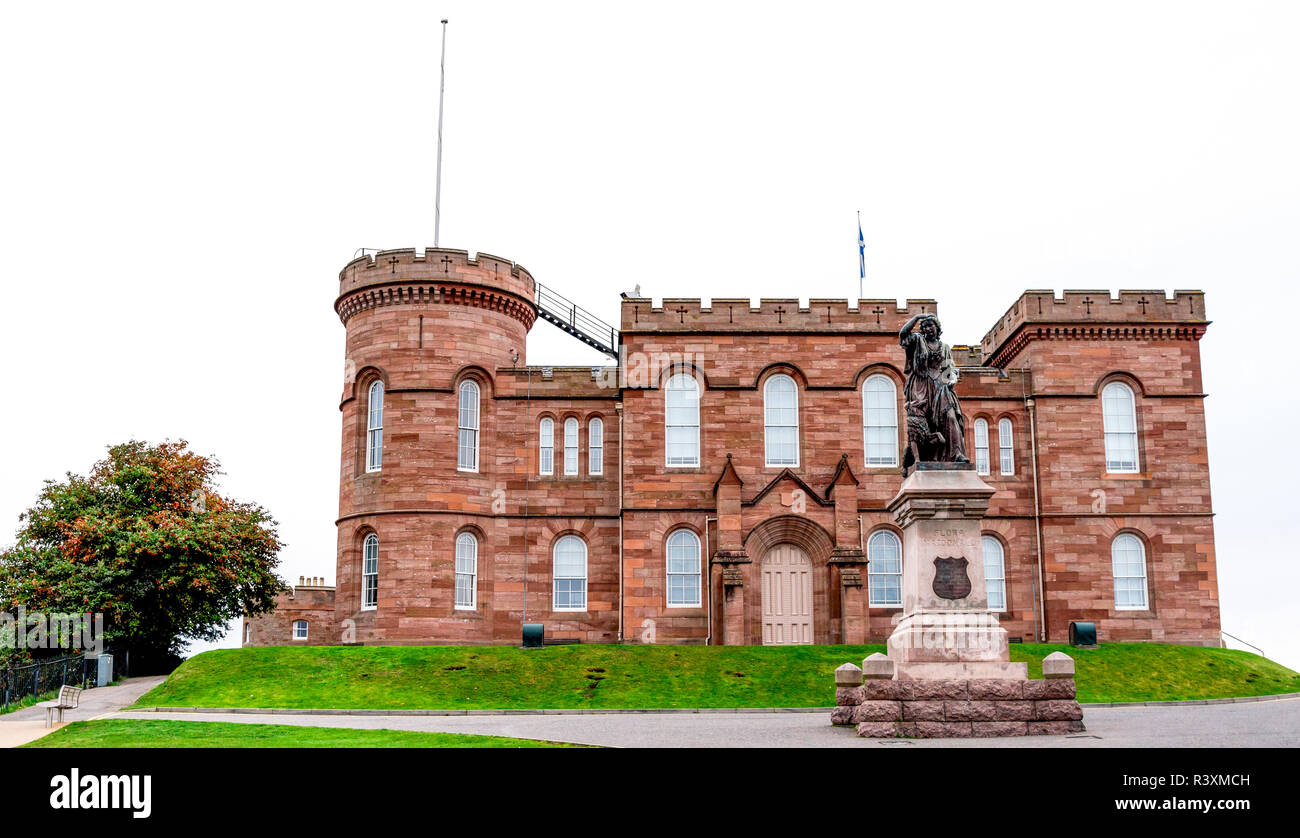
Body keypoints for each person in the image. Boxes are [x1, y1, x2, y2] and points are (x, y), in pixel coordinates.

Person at [898, 313, 968, 468]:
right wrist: (916, 318)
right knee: (921, 423)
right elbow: (903, 334)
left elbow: (950, 369)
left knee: (950, 416)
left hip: (940, 386)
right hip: (921, 385)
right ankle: (920, 458)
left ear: (937, 327)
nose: (928, 329)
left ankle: (957, 454)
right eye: (924, 327)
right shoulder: (917, 341)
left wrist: (952, 380)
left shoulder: (945, 348)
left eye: (930, 325)